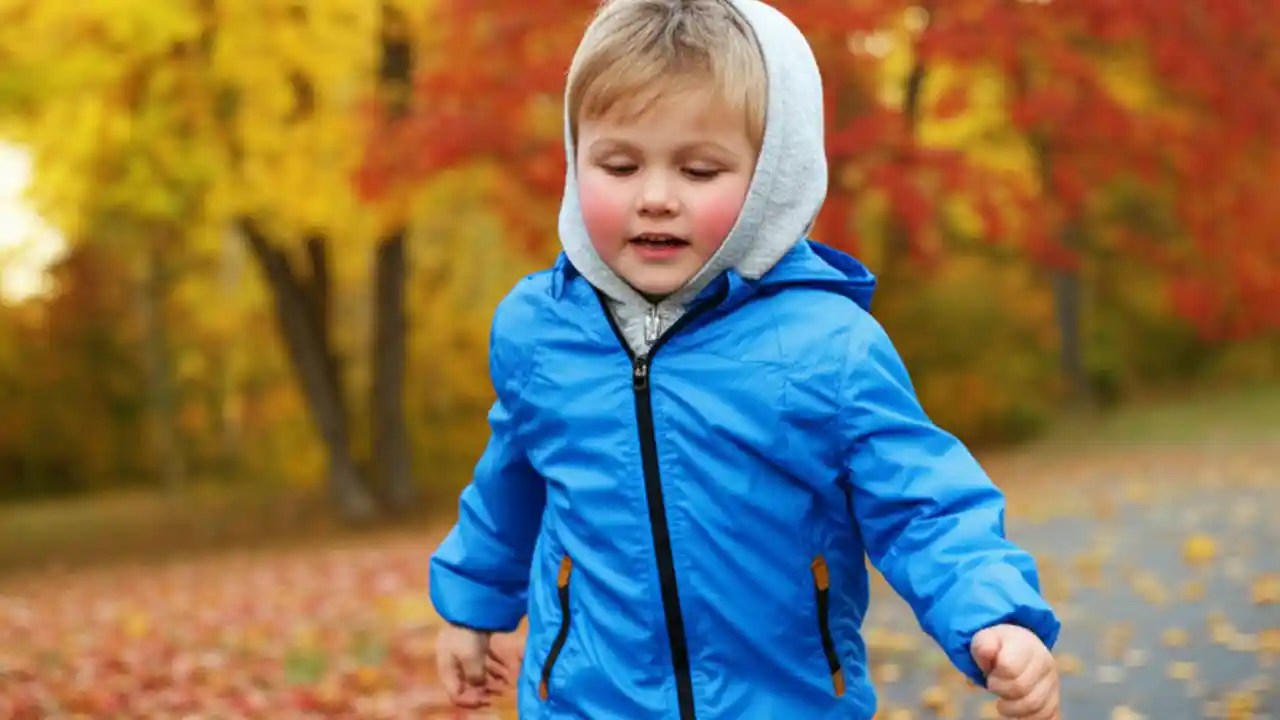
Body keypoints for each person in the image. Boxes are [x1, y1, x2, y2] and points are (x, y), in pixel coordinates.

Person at [430, 0, 1062, 717]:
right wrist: (471, 606)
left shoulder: (827, 346)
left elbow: (923, 501)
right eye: (620, 165)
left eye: (699, 170)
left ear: (771, 177)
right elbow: (510, 482)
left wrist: (992, 612)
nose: (655, 198)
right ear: (577, 163)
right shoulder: (541, 331)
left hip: (779, 701)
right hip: (585, 700)